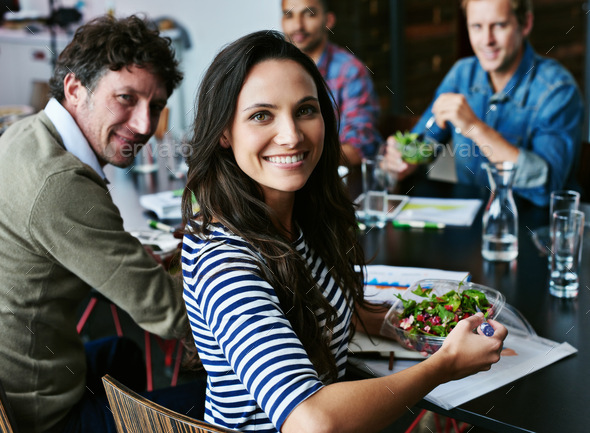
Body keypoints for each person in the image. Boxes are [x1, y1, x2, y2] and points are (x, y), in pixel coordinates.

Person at [180, 30, 507, 433]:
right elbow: (313, 422)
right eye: (261, 115)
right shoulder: (224, 260)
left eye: (305, 110)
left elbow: (332, 306)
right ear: (224, 132)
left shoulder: (298, 216)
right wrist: (445, 365)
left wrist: (423, 323)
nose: (292, 135)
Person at [0, 15, 204, 433]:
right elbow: (169, 313)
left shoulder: (24, 135)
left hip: (17, 380)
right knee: (215, 404)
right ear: (75, 89)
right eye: (126, 98)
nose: (146, 125)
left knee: (123, 353)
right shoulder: (62, 183)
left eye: (156, 105)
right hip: (39, 417)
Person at [384, 0, 584, 207]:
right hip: (472, 223)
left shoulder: (557, 90)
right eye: (476, 26)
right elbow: (425, 144)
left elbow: (548, 188)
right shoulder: (462, 74)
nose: (487, 40)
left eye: (499, 25)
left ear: (525, 25)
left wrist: (473, 127)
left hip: (537, 228)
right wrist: (403, 159)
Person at [281, 0, 382, 166]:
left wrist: (302, 158)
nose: (297, 26)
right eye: (289, 15)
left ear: (328, 21)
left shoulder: (350, 71)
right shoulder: (275, 70)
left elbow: (359, 148)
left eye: (309, 14)